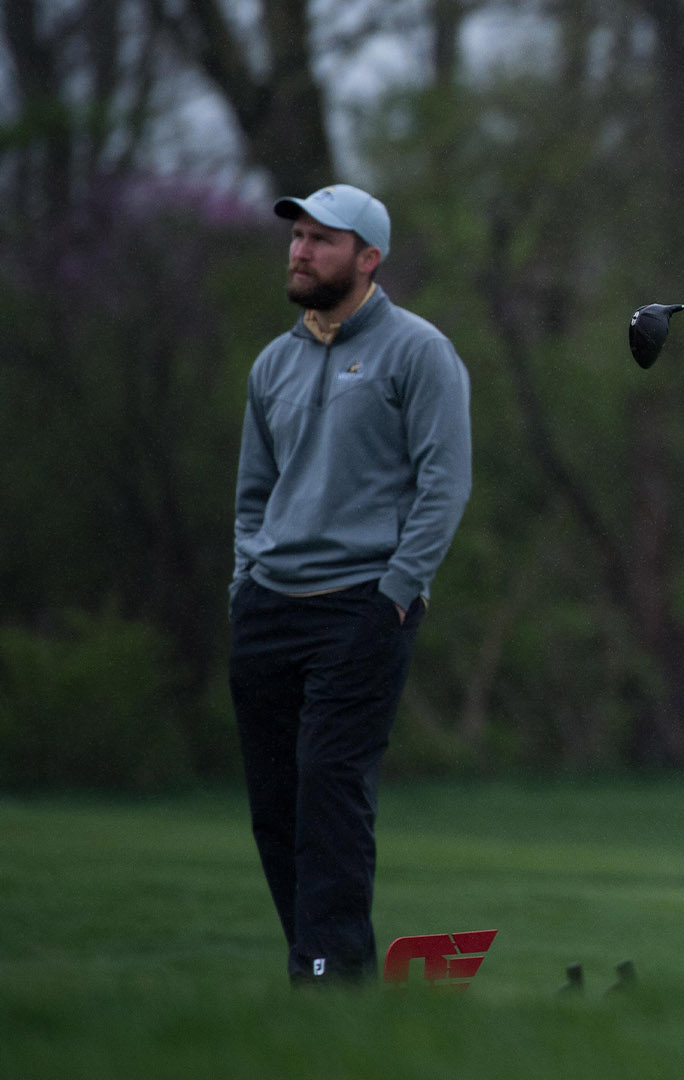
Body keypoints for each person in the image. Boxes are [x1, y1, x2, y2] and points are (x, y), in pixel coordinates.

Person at [228, 183, 472, 985]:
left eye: (320, 240)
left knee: (330, 790)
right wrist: (243, 585)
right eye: (297, 237)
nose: (300, 252)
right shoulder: (273, 363)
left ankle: (335, 975)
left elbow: (444, 486)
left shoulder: (418, 352)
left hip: (362, 606)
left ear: (369, 258)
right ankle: (315, 964)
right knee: (276, 805)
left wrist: (397, 593)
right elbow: (254, 493)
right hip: (268, 606)